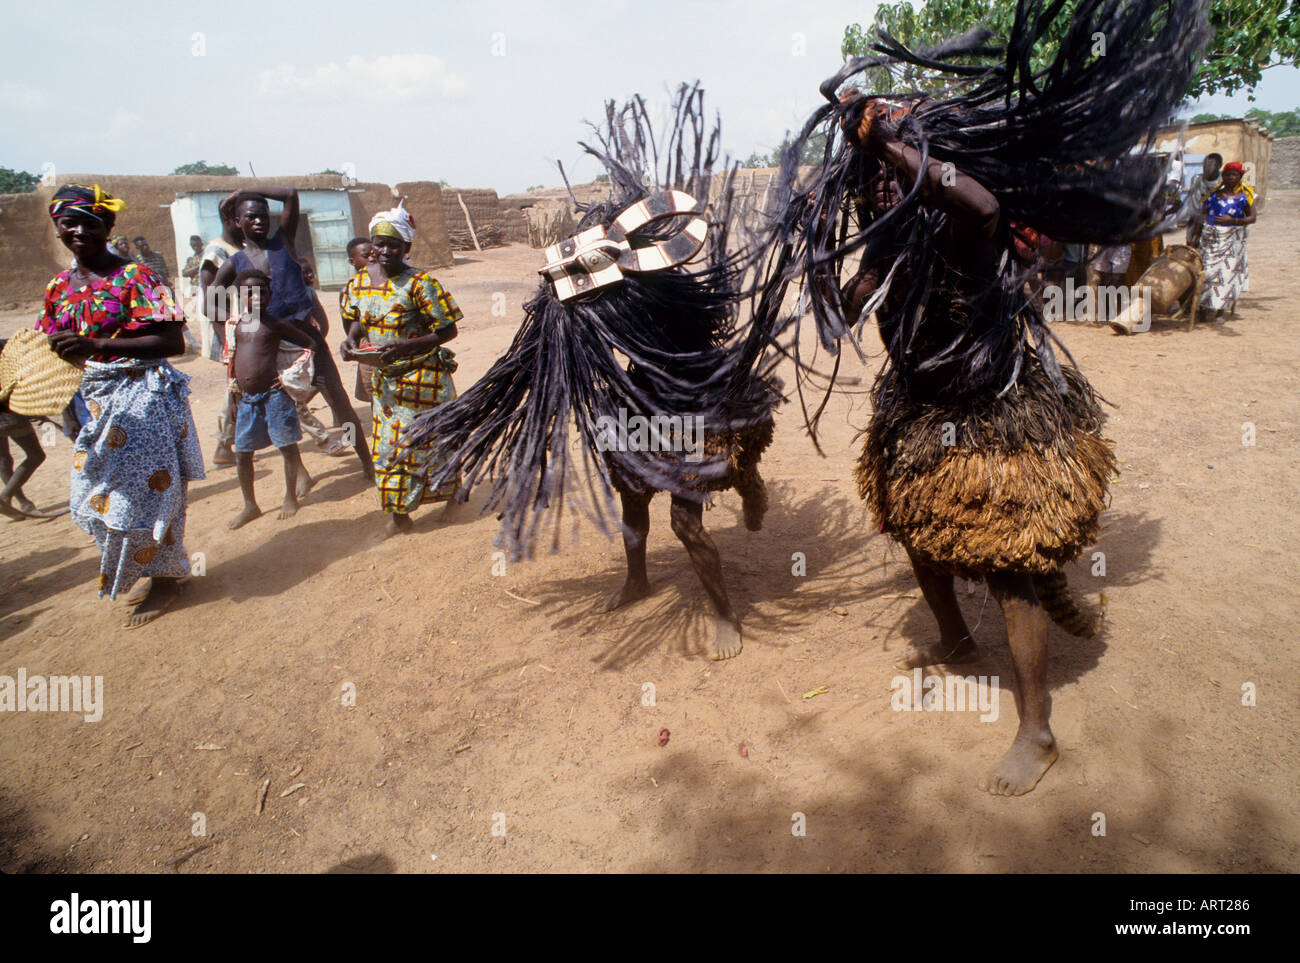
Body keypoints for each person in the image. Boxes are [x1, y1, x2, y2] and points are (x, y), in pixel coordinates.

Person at [753, 0, 1206, 794]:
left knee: (1010, 569)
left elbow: (986, 204)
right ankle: (957, 641)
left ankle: (1037, 731)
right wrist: (822, 260)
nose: (883, 188)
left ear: (918, 167)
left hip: (993, 416)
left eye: (895, 173)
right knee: (915, 534)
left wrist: (892, 141)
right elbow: (843, 309)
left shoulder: (969, 225)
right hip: (921, 413)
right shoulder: (897, 238)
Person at [38, 184, 204, 628]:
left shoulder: (139, 278)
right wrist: (66, 405)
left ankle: (166, 579)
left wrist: (96, 343)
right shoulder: (57, 288)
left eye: (88, 222)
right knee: (87, 502)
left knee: (150, 497)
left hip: (142, 396)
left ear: (107, 226)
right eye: (67, 223)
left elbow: (173, 341)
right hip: (92, 400)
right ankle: (150, 568)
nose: (77, 231)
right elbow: (49, 351)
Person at [209, 186, 373, 480]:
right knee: (281, 409)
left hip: (307, 340)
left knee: (340, 403)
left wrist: (245, 190)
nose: (259, 221)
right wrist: (227, 339)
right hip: (269, 347)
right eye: (250, 217)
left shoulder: (283, 243)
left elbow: (289, 195)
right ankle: (299, 474)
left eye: (263, 216)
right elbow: (213, 300)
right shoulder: (236, 262)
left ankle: (366, 462)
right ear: (237, 223)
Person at [340, 203, 459, 536]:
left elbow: (448, 331)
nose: (385, 250)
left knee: (435, 441)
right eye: (379, 243)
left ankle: (451, 496)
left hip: (425, 379)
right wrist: (350, 341)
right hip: (388, 385)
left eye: (394, 244)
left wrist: (406, 345)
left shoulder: (421, 283)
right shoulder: (358, 284)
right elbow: (354, 323)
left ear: (407, 248)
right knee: (389, 449)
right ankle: (399, 515)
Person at [226, 271, 315, 529]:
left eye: (261, 292)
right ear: (239, 296)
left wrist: (288, 377)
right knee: (242, 453)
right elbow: (231, 363)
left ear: (270, 296)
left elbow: (309, 344)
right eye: (248, 292)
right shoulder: (236, 325)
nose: (255, 297)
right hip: (247, 400)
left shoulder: (275, 324)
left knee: (286, 446)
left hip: (275, 396)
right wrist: (233, 395)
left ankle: (289, 496)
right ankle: (250, 505)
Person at [1191, 160, 1256, 320]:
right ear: (1223, 176)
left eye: (1235, 174)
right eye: (1228, 174)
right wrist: (1195, 236)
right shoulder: (1213, 195)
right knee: (1207, 273)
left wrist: (1232, 221)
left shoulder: (1245, 196)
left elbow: (1252, 218)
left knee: (1226, 275)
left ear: (1240, 176)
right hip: (1210, 240)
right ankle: (1202, 308)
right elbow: (1202, 217)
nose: (1231, 177)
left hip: (1232, 241)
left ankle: (1220, 310)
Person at [345, 237, 376, 405]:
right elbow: (348, 321)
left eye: (374, 254)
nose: (372, 258)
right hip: (277, 339)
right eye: (366, 255)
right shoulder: (351, 288)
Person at [1182, 152, 1222, 243]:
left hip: (1215, 221)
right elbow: (1194, 202)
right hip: (1196, 218)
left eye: (1210, 165)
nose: (1206, 168)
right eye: (1204, 165)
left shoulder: (1223, 181)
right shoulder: (1196, 179)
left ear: (1218, 166)